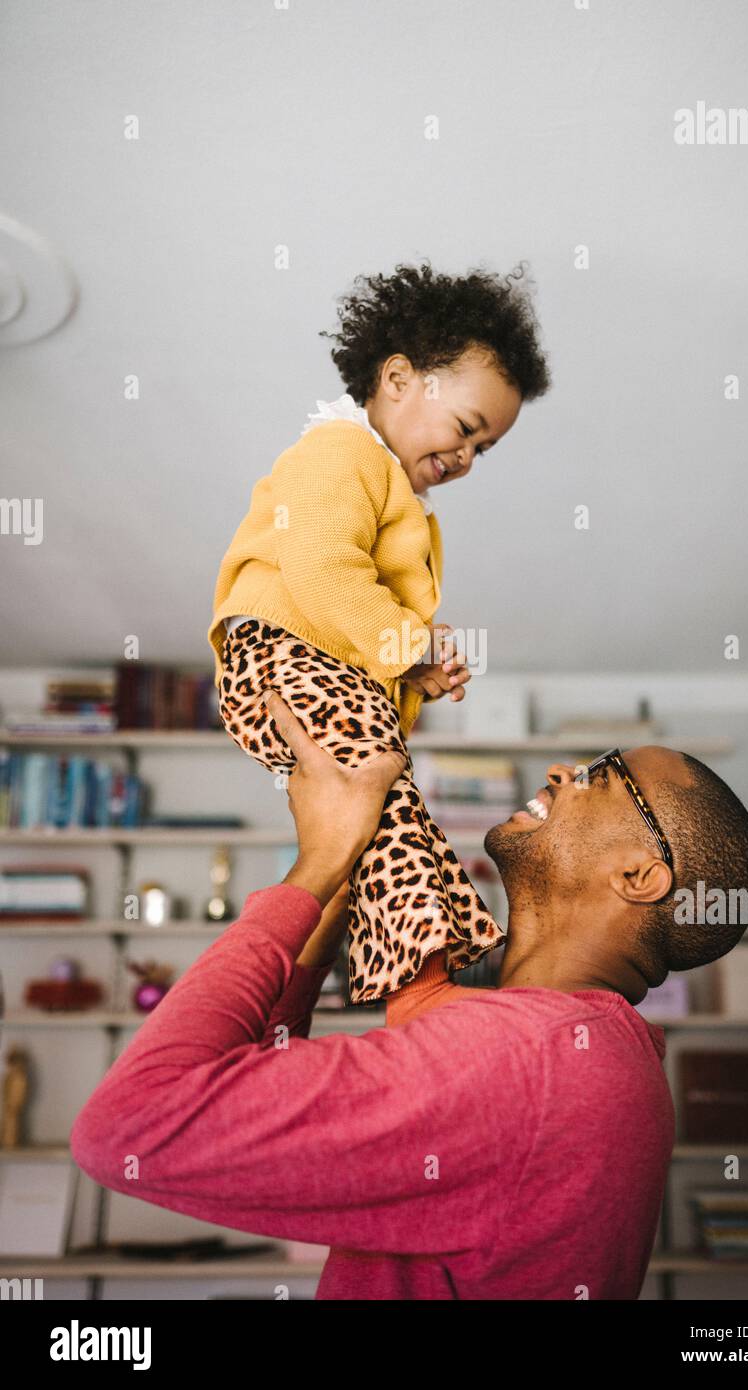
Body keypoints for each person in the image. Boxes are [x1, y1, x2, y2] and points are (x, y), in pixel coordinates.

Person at [70, 693, 748, 1301]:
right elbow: (262, 1060)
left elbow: (129, 1126)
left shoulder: (531, 1058)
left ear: (640, 875)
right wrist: (342, 861)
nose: (562, 772)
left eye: (603, 774)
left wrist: (313, 866)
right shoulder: (588, 1048)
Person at [207, 259, 552, 1004]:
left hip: (322, 668)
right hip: (285, 657)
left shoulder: (390, 486)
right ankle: (424, 991)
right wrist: (412, 645)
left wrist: (413, 662)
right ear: (398, 379)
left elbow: (361, 603)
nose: (466, 457)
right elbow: (323, 569)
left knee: (373, 826)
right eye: (466, 428)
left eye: (482, 449)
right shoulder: (341, 452)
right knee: (386, 812)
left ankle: (302, 994)